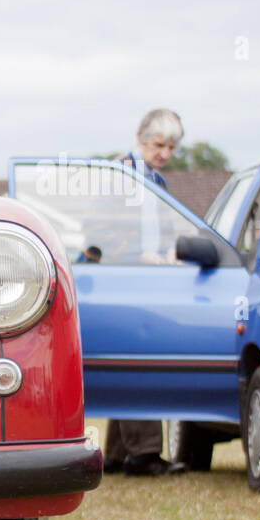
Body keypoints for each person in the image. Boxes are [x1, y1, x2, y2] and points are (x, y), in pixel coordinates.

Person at [104, 108, 187, 476]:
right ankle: (146, 455)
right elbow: (99, 231)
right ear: (141, 139)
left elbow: (164, 228)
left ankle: (118, 454)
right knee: (141, 356)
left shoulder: (157, 179)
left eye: (172, 147)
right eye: (159, 144)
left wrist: (170, 250)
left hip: (149, 276)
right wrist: (139, 254)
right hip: (124, 277)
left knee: (131, 356)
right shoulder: (117, 175)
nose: (166, 154)